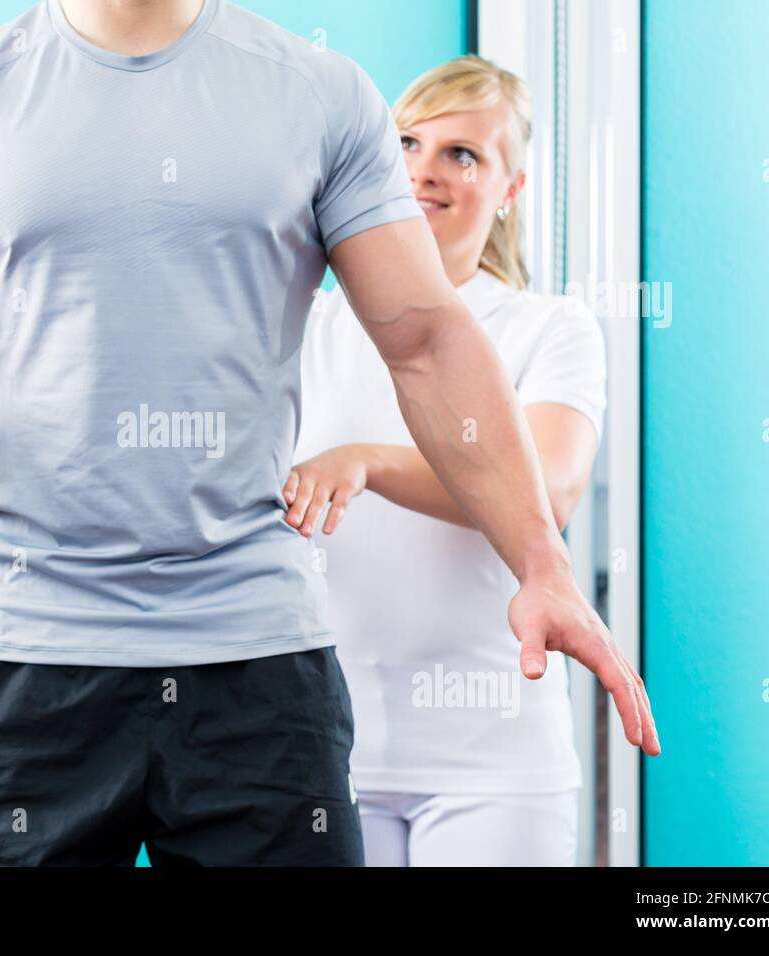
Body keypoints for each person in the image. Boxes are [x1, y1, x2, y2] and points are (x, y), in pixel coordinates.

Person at [0, 0, 658, 866]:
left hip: (259, 662)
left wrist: (539, 556)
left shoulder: (320, 97)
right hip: (25, 657)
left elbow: (428, 338)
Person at [286, 55, 605, 866]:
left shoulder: (549, 327)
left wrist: (366, 462)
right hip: (323, 755)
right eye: (407, 144)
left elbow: (551, 486)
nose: (424, 172)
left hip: (494, 764)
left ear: (510, 190)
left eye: (463, 155)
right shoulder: (309, 328)